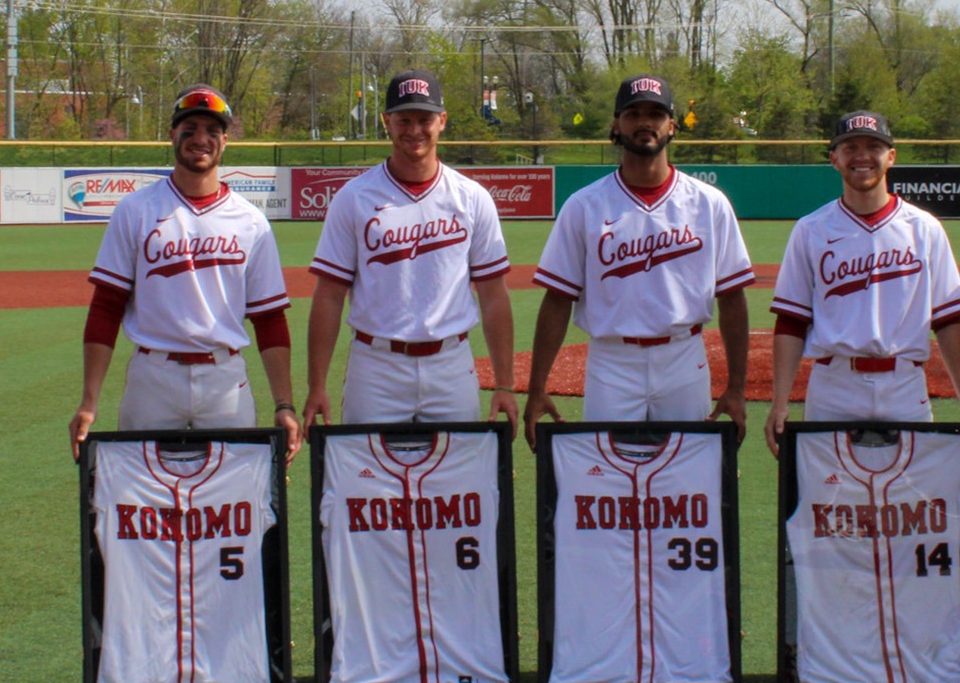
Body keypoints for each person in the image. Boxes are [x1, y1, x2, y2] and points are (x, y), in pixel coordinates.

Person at [70, 84, 300, 459]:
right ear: (172, 135)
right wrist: (89, 401)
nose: (201, 139)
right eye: (189, 128)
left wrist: (284, 403)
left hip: (224, 379)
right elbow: (106, 306)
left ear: (225, 141)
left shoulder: (250, 221)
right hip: (153, 376)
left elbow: (269, 317)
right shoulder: (135, 210)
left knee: (236, 493)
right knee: (143, 498)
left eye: (212, 131)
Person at [524, 74, 753, 448]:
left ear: (672, 125)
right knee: (607, 474)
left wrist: (737, 387)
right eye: (633, 113)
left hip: (684, 356)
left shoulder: (709, 203)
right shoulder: (584, 205)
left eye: (655, 113)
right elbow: (557, 299)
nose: (645, 122)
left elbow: (732, 298)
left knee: (688, 469)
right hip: (612, 361)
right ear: (616, 124)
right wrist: (537, 388)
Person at [766, 110, 960, 456]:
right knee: (827, 496)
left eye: (873, 146)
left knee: (909, 498)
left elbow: (947, 320)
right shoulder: (811, 229)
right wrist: (780, 403)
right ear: (834, 159)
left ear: (891, 157)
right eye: (850, 147)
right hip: (833, 383)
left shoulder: (924, 228)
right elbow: (791, 321)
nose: (862, 156)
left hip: (904, 383)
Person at [302, 69, 519, 427]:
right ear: (387, 121)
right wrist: (316, 385)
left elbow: (494, 294)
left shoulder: (471, 198)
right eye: (404, 119)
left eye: (425, 119)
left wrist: (505, 383)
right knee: (367, 477)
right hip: (375, 365)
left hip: (451, 364)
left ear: (442, 121)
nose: (415, 130)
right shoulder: (354, 198)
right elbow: (328, 295)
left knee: (457, 474)